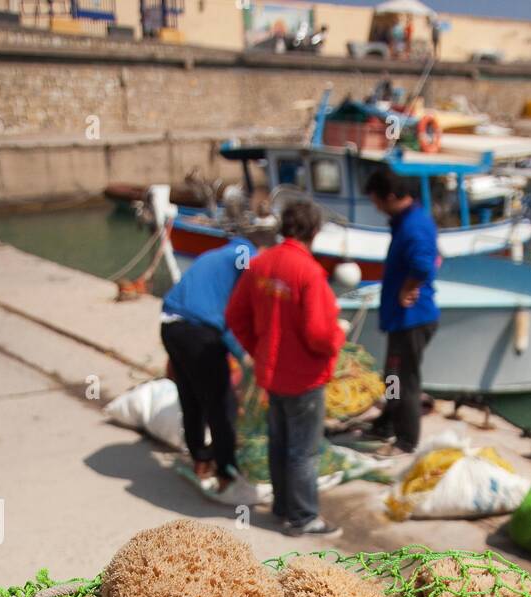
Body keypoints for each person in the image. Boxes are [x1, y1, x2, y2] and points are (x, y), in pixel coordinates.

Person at [226, 198, 344, 538]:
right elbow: (319, 333)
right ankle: (304, 517)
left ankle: (282, 508)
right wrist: (337, 337)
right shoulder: (309, 273)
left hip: (271, 374)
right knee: (303, 449)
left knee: (279, 442)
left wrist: (258, 349)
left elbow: (235, 315)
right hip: (304, 377)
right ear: (315, 231)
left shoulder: (261, 265)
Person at [161, 240, 252, 501]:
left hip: (170, 326)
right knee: (223, 406)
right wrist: (244, 355)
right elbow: (230, 320)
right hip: (198, 333)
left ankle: (200, 460)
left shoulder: (215, 256)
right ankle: (226, 474)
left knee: (191, 398)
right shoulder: (249, 261)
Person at [362, 166, 439, 455]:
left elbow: (423, 263)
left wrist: (408, 287)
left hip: (413, 319)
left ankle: (407, 441)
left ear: (392, 196)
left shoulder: (414, 226)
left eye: (378, 201)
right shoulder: (406, 221)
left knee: (404, 379)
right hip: (401, 318)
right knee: (392, 374)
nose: (376, 206)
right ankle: (388, 422)